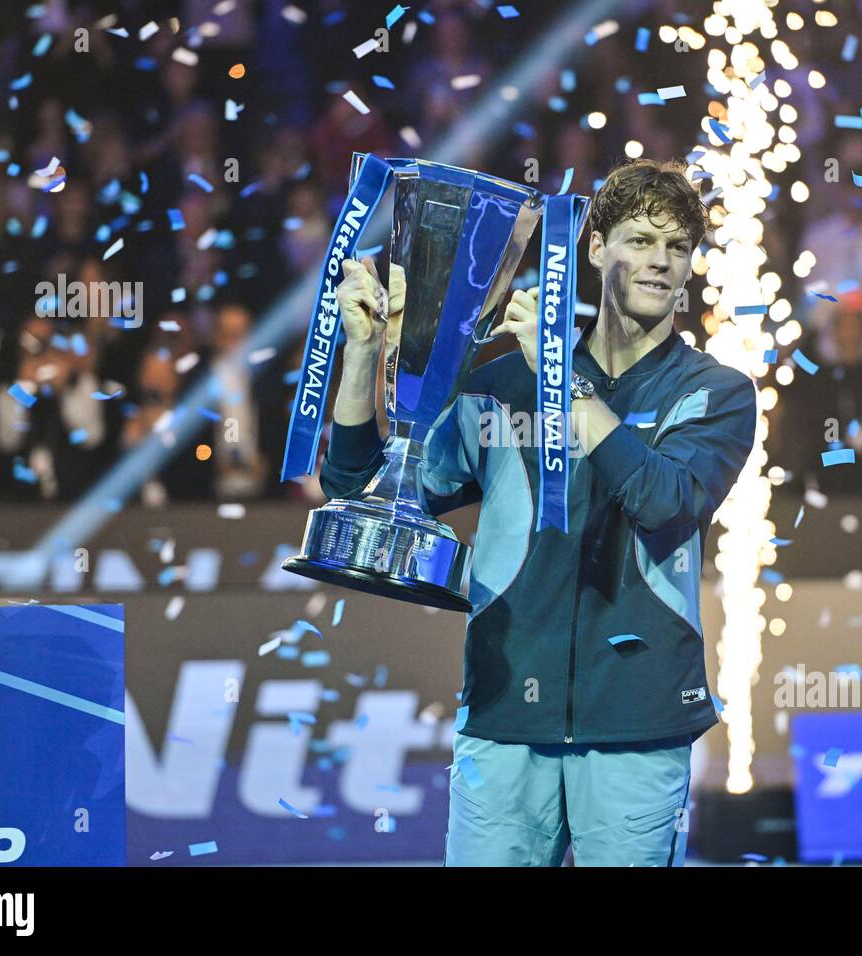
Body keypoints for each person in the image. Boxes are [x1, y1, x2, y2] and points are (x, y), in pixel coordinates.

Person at [317, 159, 759, 866]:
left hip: (636, 726)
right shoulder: (503, 385)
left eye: (678, 248)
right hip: (503, 718)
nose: (661, 263)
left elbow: (664, 503)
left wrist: (564, 381)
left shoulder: (714, 393)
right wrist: (365, 358)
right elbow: (362, 487)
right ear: (594, 248)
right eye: (641, 241)